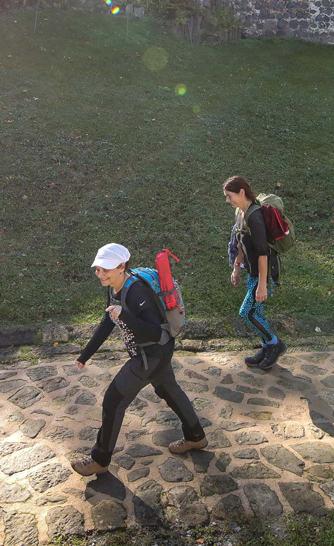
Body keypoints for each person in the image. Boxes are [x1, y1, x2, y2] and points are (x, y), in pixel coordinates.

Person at [70, 243, 206, 476]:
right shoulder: (114, 286)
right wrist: (85, 355)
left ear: (122, 267)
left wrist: (125, 316)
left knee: (113, 401)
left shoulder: (137, 293)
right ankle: (196, 437)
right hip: (154, 353)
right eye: (98, 269)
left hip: (151, 355)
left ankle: (99, 459)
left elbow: (154, 332)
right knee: (169, 390)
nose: (100, 274)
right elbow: (107, 322)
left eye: (105, 270)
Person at [225, 176, 286, 370]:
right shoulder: (241, 213)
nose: (228, 200)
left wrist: (262, 284)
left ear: (242, 192)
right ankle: (267, 347)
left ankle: (275, 344)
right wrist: (237, 267)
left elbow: (263, 253)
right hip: (253, 271)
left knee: (247, 312)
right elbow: (241, 241)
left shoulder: (255, 216)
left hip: (265, 272)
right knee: (257, 312)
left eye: (230, 196)